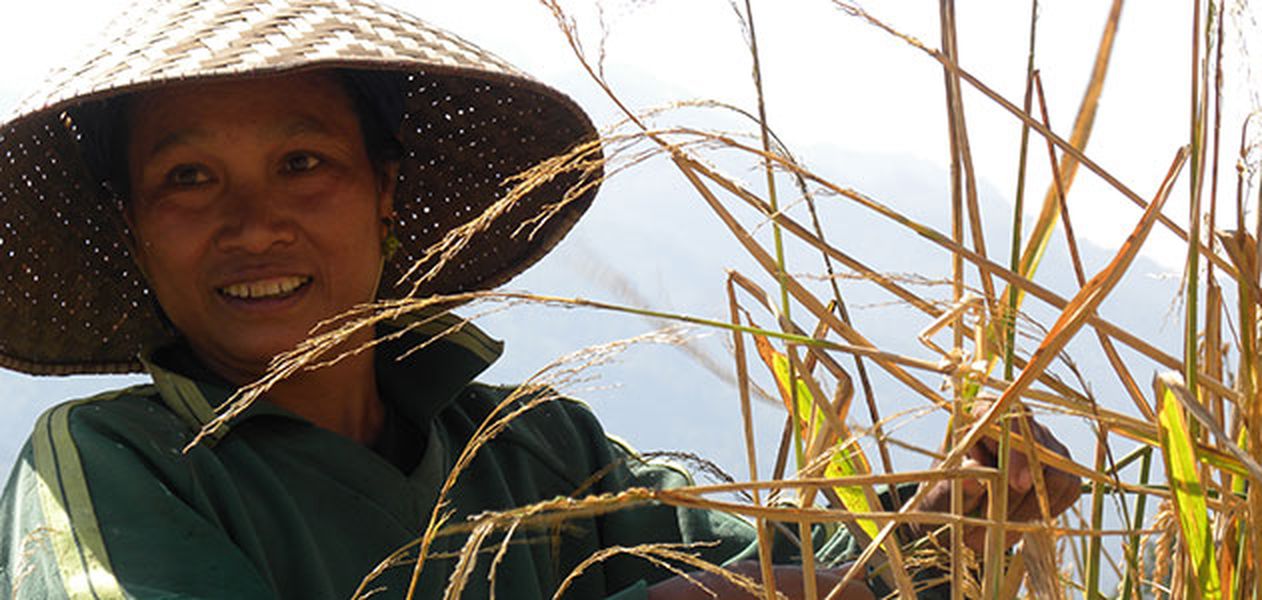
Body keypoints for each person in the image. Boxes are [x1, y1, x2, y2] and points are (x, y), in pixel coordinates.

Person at [0, 0, 1080, 598]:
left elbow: (817, 571)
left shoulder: (534, 449)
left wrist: (957, 511)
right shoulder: (109, 472)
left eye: (302, 163)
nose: (253, 223)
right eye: (187, 180)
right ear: (135, 225)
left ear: (386, 193)